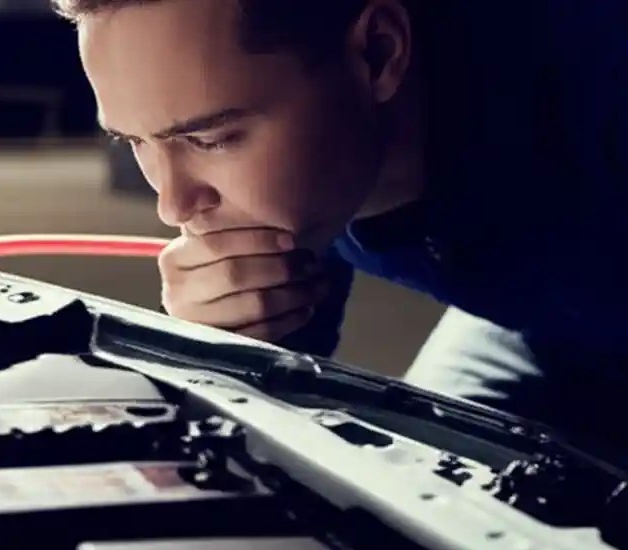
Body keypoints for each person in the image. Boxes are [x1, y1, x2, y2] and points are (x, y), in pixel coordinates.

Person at [52, 0, 628, 459]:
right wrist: (240, 342)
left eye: (212, 139)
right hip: (537, 327)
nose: (174, 206)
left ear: (380, 53)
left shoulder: (597, 84)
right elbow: (290, 389)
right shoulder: (316, 163)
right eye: (134, 141)